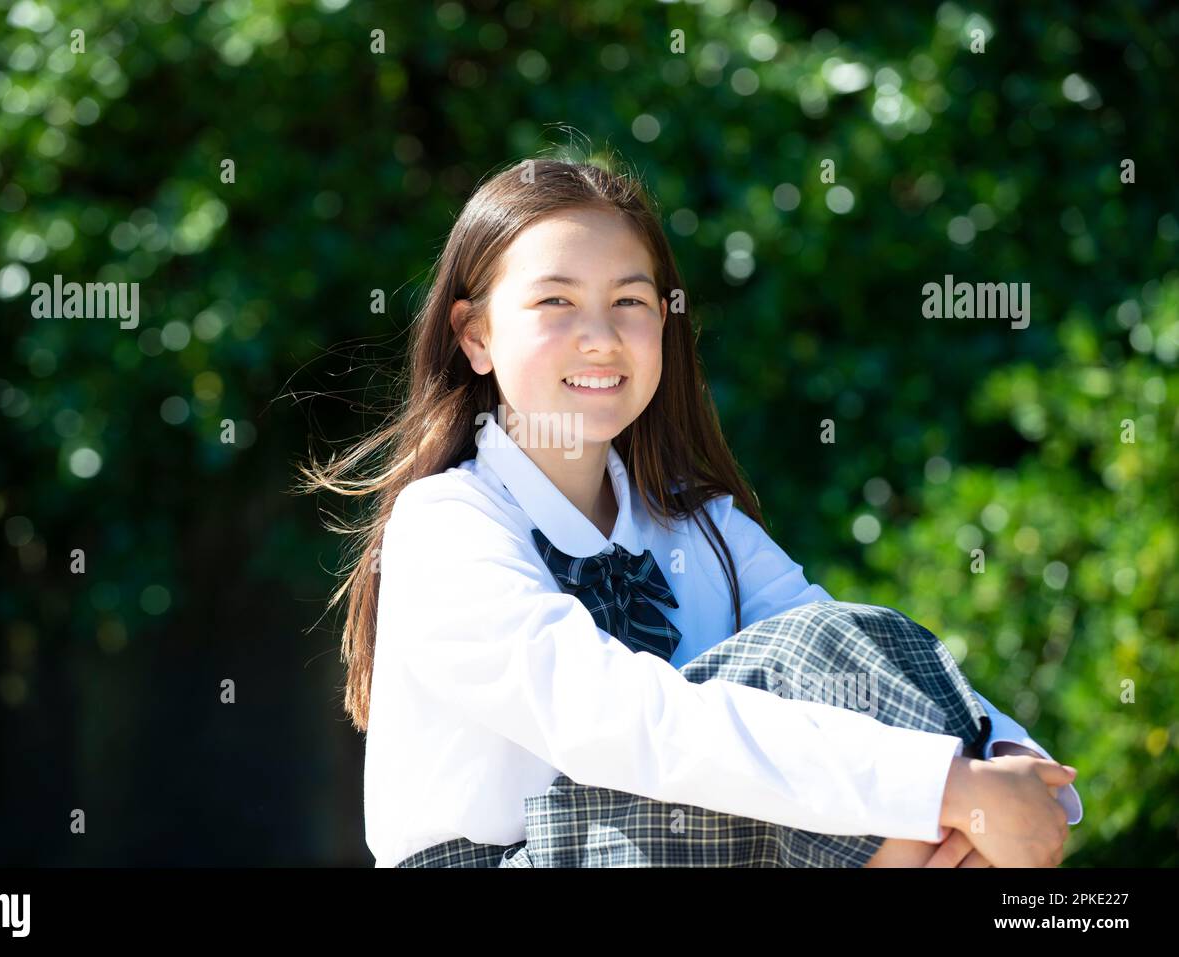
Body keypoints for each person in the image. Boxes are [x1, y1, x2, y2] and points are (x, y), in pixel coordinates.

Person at [300, 157, 1083, 868]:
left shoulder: (697, 525)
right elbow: (622, 721)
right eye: (555, 301)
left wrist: (1008, 765)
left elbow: (855, 661)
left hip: (680, 843)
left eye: (630, 301)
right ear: (475, 336)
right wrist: (945, 789)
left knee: (843, 647)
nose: (601, 338)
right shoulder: (446, 521)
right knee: (861, 769)